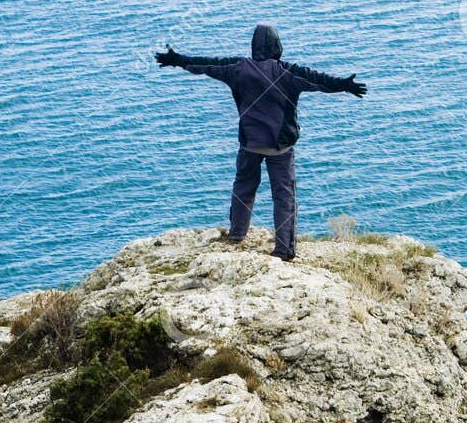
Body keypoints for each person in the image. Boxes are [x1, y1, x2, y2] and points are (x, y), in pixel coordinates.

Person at [155, 24, 367, 261]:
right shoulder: (287, 72)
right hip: (280, 147)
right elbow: (318, 80)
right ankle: (284, 250)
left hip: (249, 144)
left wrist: (177, 60)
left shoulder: (237, 68)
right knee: (284, 196)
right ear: (277, 46)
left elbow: (207, 65)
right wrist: (345, 85)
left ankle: (237, 234)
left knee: (243, 187)